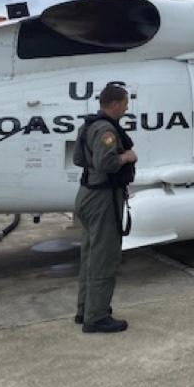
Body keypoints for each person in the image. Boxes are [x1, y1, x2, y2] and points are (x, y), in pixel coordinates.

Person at [74, 83, 138, 333]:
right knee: (103, 258)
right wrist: (127, 157)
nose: (126, 108)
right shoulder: (106, 130)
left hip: (87, 194)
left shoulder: (89, 125)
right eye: (124, 103)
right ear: (114, 104)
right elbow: (107, 163)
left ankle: (85, 310)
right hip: (102, 199)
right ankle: (97, 317)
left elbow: (79, 159)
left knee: (90, 256)